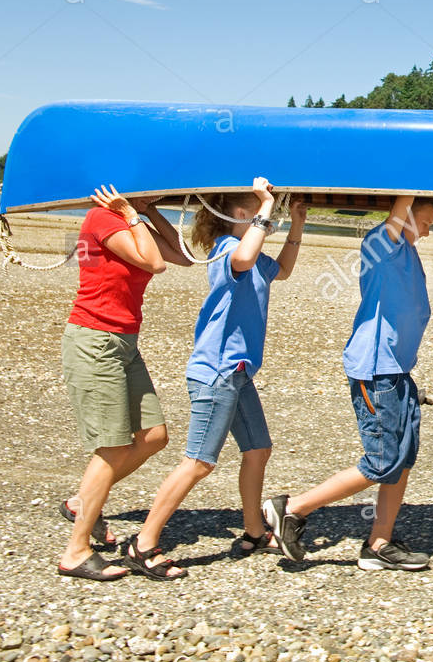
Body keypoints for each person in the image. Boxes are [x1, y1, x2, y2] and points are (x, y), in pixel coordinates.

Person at [121, 179, 306, 580]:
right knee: (199, 462)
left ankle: (254, 532)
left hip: (238, 372)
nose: (267, 224)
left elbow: (284, 270)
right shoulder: (228, 251)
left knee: (258, 449)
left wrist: (296, 223)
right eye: (261, 219)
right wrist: (266, 205)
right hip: (216, 373)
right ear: (243, 215)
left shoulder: (254, 255)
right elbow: (242, 259)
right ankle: (144, 543)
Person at [262, 195, 433, 571]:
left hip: (398, 373)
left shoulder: (407, 249)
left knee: (402, 460)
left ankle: (379, 544)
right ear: (407, 212)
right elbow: (402, 198)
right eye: (430, 214)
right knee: (381, 461)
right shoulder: (383, 243)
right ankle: (291, 509)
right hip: (376, 372)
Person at [57, 186, 190, 580]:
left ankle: (82, 504)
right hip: (95, 339)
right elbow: (156, 263)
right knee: (112, 447)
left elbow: (181, 256)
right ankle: (75, 552)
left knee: (154, 435)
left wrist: (149, 214)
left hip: (125, 341)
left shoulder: (137, 223)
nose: (162, 193)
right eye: (154, 191)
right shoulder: (103, 219)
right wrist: (133, 215)